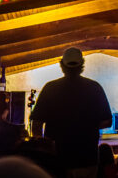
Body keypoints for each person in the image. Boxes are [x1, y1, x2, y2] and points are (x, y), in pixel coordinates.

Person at [30, 47, 112, 178]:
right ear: (82, 64)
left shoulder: (50, 88)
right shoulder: (94, 88)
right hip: (87, 158)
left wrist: (42, 151)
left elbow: (36, 124)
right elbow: (107, 121)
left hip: (57, 160)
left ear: (62, 65)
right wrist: (86, 125)